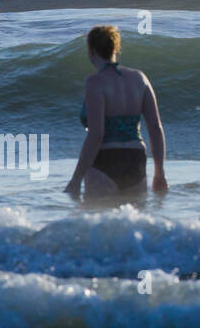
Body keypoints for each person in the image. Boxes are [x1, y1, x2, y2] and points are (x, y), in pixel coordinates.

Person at [64, 25, 168, 199]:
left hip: (105, 159)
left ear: (91, 51)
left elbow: (96, 135)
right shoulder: (140, 78)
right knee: (133, 223)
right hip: (135, 160)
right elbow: (155, 128)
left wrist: (75, 179)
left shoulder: (95, 82)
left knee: (98, 220)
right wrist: (160, 173)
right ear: (115, 49)